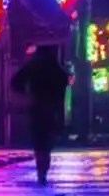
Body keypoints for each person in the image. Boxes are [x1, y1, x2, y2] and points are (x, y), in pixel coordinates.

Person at [11, 45, 69, 185]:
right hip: (51, 108)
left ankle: (40, 169)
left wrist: (26, 94)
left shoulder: (33, 66)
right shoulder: (56, 69)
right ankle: (43, 168)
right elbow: (63, 86)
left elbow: (15, 82)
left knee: (38, 140)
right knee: (47, 141)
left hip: (36, 106)